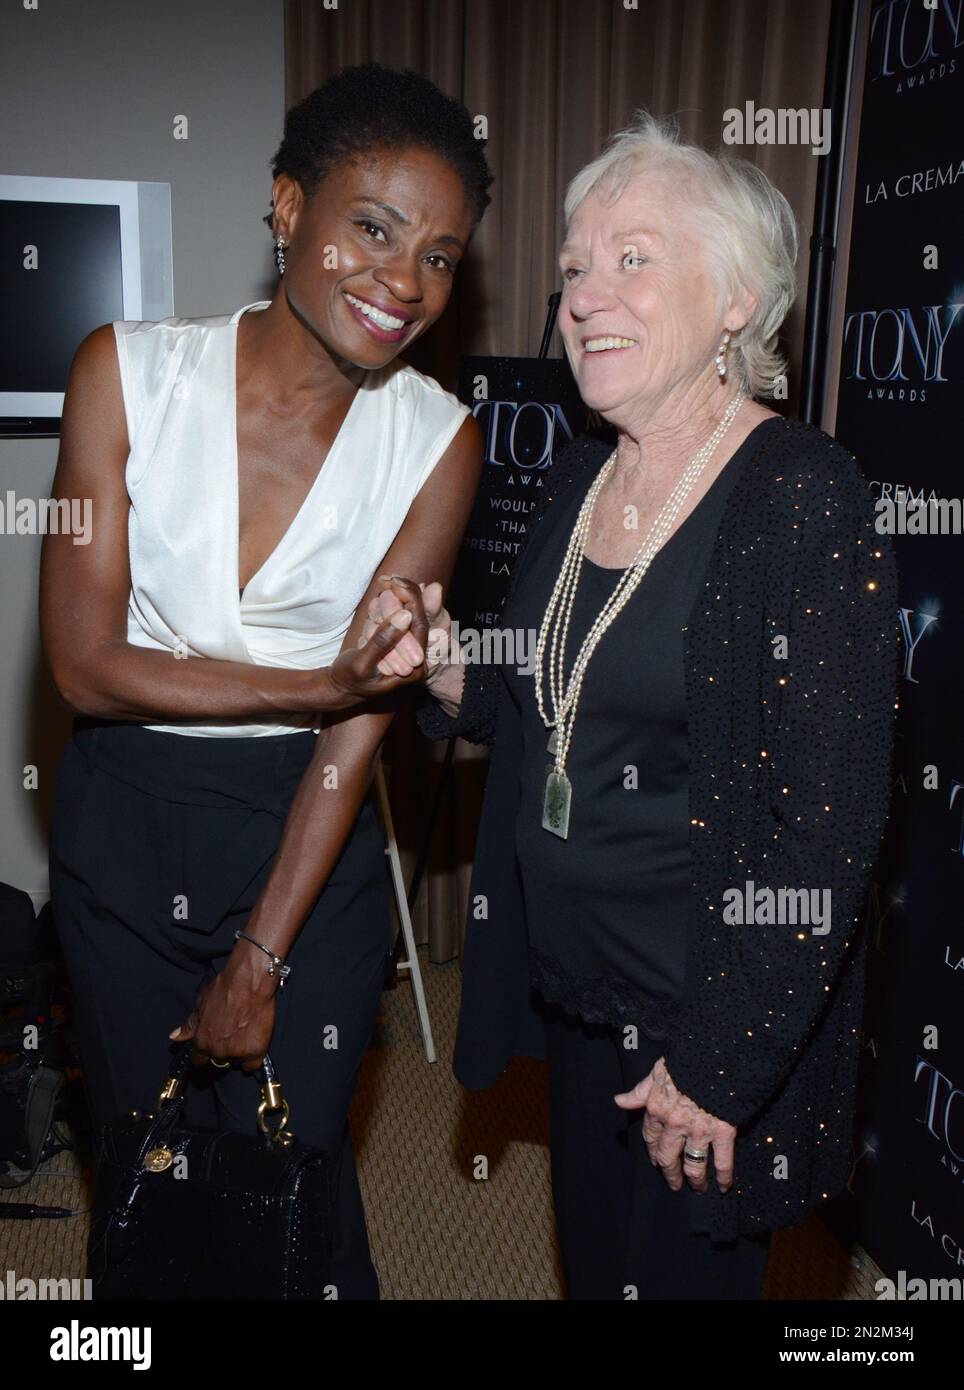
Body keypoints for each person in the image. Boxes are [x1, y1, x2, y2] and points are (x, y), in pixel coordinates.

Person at [366, 113, 900, 1300]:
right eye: (570, 268)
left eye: (633, 258)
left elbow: (827, 836)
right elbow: (542, 702)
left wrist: (714, 1069)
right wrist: (447, 663)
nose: (584, 293)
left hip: (705, 1014)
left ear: (736, 300)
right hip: (581, 992)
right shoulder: (580, 470)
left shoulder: (802, 501)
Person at [40, 62, 491, 1300]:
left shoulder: (439, 440)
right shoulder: (122, 371)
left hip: (309, 837)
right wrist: (317, 678)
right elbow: (85, 668)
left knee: (290, 1169)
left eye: (442, 256)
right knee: (153, 1163)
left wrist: (261, 959)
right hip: (126, 826)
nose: (403, 283)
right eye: (373, 227)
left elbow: (356, 733)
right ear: (287, 206)